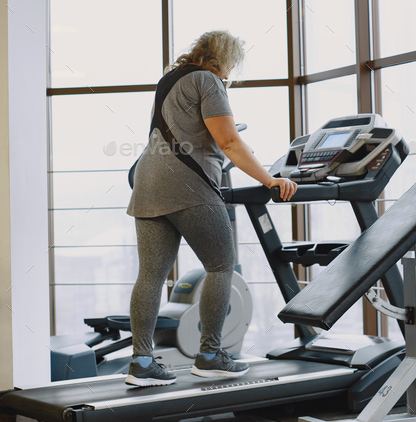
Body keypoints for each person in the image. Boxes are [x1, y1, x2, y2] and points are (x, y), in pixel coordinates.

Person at [125, 30, 297, 387]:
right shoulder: (209, 81)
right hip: (188, 184)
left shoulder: (170, 79)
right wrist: (270, 180)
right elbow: (229, 141)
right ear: (224, 59)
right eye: (233, 64)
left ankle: (142, 362)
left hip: (148, 182)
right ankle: (210, 356)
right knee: (220, 266)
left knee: (151, 275)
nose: (232, 71)